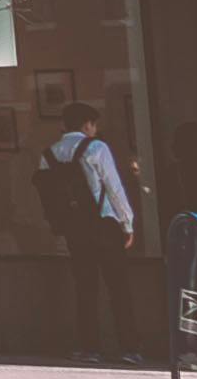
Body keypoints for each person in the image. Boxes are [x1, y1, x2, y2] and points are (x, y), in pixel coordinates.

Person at [44, 103, 141, 361]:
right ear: (88, 124)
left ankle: (90, 347)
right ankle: (129, 348)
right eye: (94, 125)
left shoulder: (50, 154)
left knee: (85, 288)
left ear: (63, 125)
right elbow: (113, 187)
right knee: (118, 287)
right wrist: (127, 223)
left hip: (74, 229)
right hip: (104, 224)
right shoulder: (96, 148)